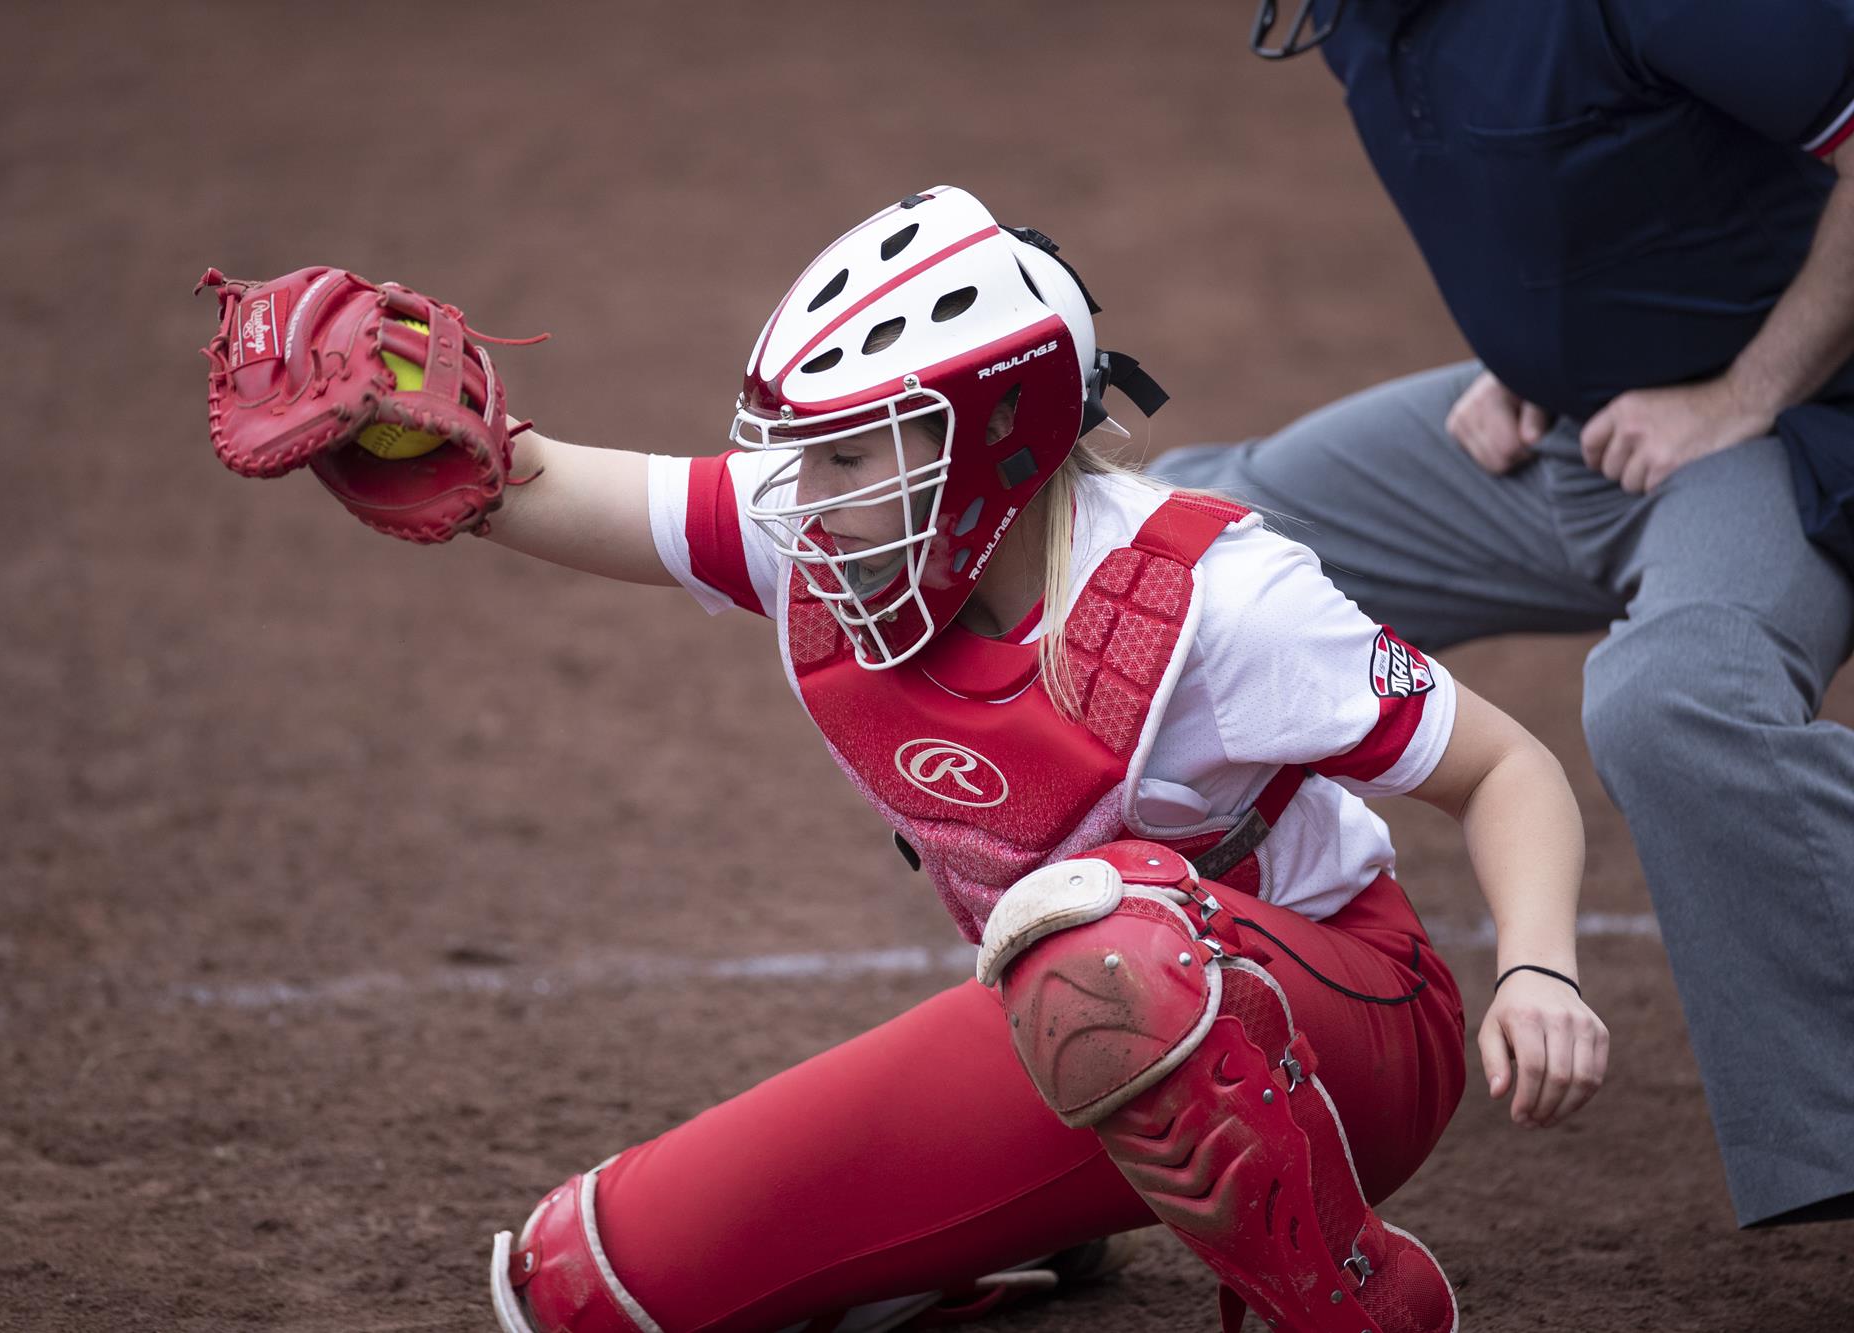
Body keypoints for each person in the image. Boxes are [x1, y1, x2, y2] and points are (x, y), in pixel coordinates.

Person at [199, 186, 1607, 1333]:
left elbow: (1509, 769)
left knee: (1098, 949)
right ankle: (1018, 1236)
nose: (801, 496)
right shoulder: (846, 525)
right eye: (805, 455)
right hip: (1102, 1020)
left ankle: (1365, 1302)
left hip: (1352, 1031)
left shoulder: (1218, 599)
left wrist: (1539, 967)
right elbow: (533, 480)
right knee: (585, 1285)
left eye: (851, 456)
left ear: (998, 432)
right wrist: (390, 409)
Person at [1151, 0, 1854, 1228]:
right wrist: (1537, 348)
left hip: (1783, 431)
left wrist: (1745, 388)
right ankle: (1106, 1070)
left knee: (1673, 700)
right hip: (1567, 428)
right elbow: (1560, 184)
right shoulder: (1355, 14)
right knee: (1164, 550)